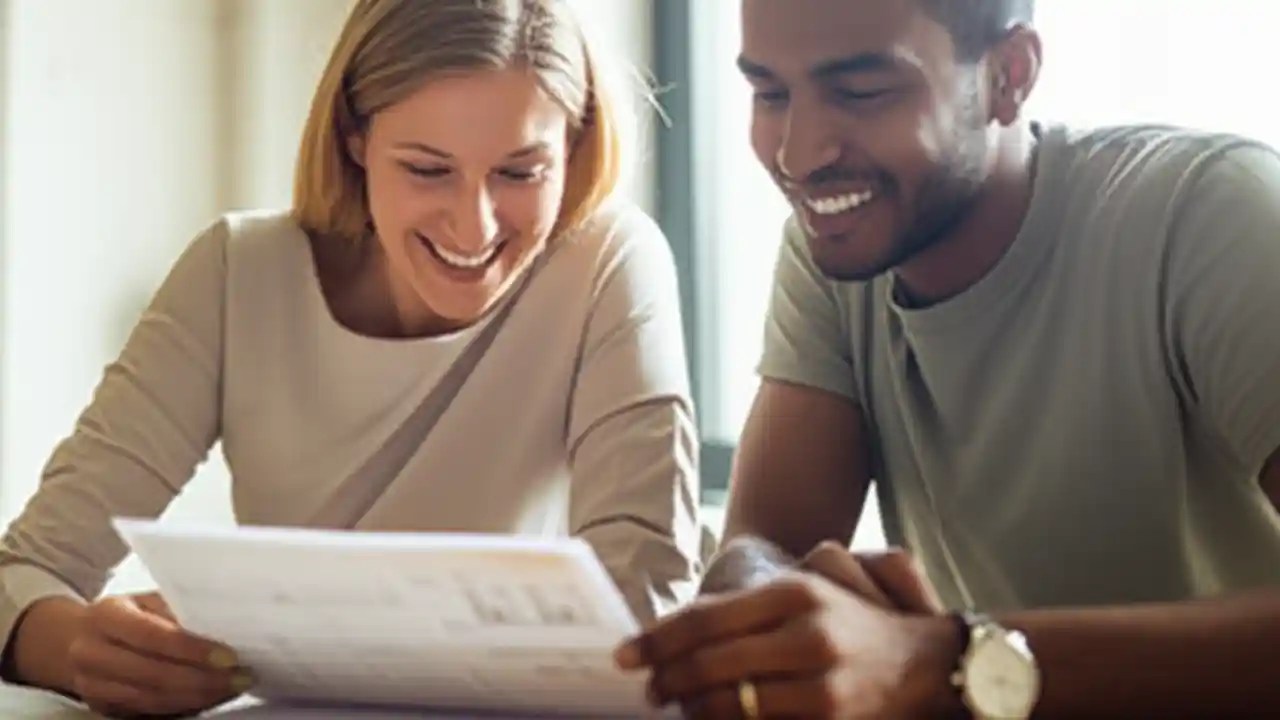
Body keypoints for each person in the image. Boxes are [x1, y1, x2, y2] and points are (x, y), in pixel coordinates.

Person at [0, 0, 705, 716]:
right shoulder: (235, 274)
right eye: (429, 170)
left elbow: (645, 616)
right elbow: (21, 574)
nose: (476, 224)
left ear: (575, 148)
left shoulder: (607, 263)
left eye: (521, 173)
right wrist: (81, 648)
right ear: (355, 139)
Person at [616, 0, 1280, 717]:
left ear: (1008, 75)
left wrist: (946, 661)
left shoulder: (1212, 216)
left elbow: (927, 664)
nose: (796, 156)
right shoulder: (838, 253)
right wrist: (767, 596)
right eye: (770, 94)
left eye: (862, 93)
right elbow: (768, 541)